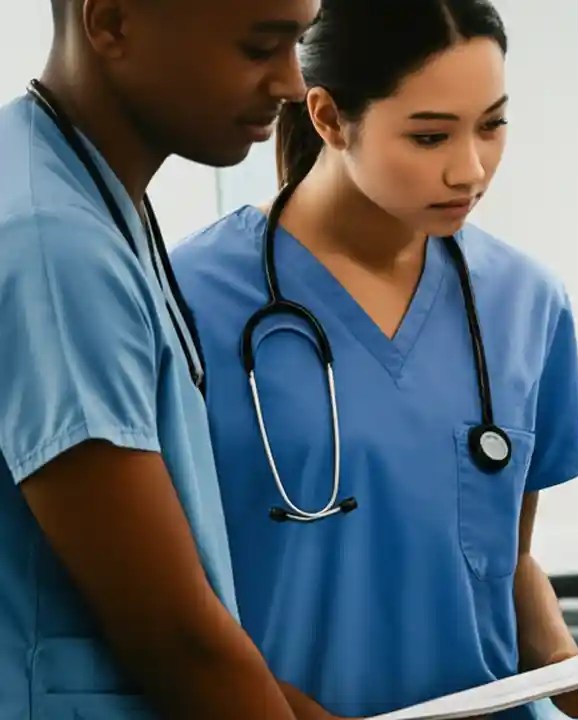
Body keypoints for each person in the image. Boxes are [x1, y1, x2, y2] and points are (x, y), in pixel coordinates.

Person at [169, 1, 578, 717]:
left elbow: (506, 559)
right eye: (429, 136)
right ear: (327, 118)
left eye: (493, 124)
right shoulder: (188, 298)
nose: (470, 169)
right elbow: (166, 603)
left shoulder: (524, 300)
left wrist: (563, 659)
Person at [0, 0, 343, 718]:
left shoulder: (76, 190)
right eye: (260, 47)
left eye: (297, 44)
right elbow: (175, 639)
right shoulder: (54, 247)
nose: (289, 82)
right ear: (114, 22)